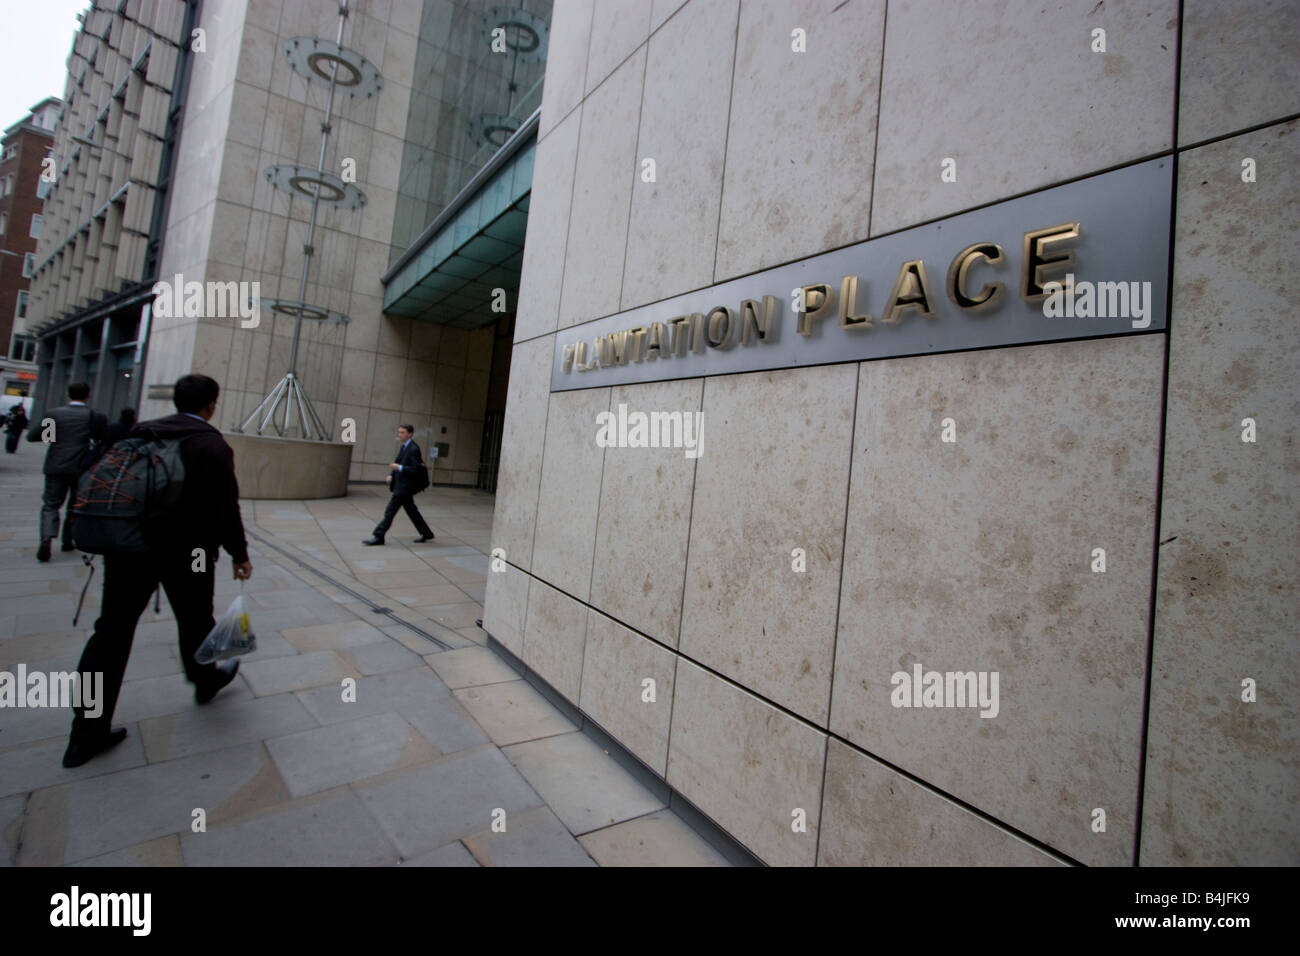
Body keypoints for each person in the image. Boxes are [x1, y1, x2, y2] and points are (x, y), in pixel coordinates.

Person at [61, 373, 253, 768]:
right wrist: (239, 554)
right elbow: (225, 506)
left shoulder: (142, 432)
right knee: (197, 619)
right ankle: (204, 680)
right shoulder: (210, 445)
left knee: (110, 632)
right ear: (211, 404)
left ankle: (85, 732)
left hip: (129, 547)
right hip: (188, 552)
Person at [26, 382, 106, 561]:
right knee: (75, 504)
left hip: (56, 464)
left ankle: (46, 538)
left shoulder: (54, 414)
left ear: (68, 395)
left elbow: (36, 437)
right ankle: (68, 539)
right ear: (88, 396)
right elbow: (100, 439)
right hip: (81, 467)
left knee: (51, 504)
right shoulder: (93, 416)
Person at [363, 423, 434, 545]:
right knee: (412, 511)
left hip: (404, 488)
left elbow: (415, 469)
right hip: (402, 486)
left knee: (390, 511)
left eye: (402, 432)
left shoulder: (414, 449)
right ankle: (426, 533)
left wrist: (400, 468)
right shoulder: (404, 447)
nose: (399, 435)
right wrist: (392, 474)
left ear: (410, 434)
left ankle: (379, 535)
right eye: (399, 432)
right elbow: (398, 462)